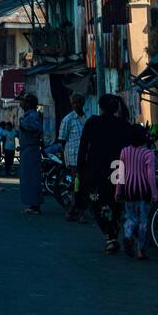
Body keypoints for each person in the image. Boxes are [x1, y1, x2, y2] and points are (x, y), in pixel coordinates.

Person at [77, 94, 138, 254]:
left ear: (101, 107)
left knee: (97, 204)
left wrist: (80, 168)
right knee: (115, 203)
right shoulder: (124, 125)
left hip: (96, 170)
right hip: (117, 169)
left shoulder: (92, 122)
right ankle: (114, 233)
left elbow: (83, 147)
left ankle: (110, 237)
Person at [116, 124, 158, 260]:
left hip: (128, 190)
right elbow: (151, 176)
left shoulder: (124, 151)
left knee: (130, 217)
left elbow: (120, 173)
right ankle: (141, 250)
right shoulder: (148, 154)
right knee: (143, 221)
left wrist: (118, 191)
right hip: (143, 191)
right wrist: (154, 193)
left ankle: (128, 236)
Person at [57, 93, 88, 222]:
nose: (77, 105)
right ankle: (78, 211)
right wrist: (65, 158)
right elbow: (62, 140)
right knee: (78, 183)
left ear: (82, 103)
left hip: (85, 156)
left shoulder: (87, 118)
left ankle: (73, 209)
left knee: (81, 184)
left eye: (79, 102)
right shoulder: (67, 119)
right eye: (74, 103)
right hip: (73, 157)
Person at [17, 95, 45, 213]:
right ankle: (33, 204)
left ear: (28, 103)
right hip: (26, 149)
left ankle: (35, 205)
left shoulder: (32, 115)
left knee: (32, 178)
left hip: (31, 149)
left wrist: (23, 125)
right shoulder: (28, 115)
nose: (21, 103)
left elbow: (35, 128)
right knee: (28, 178)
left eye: (23, 101)